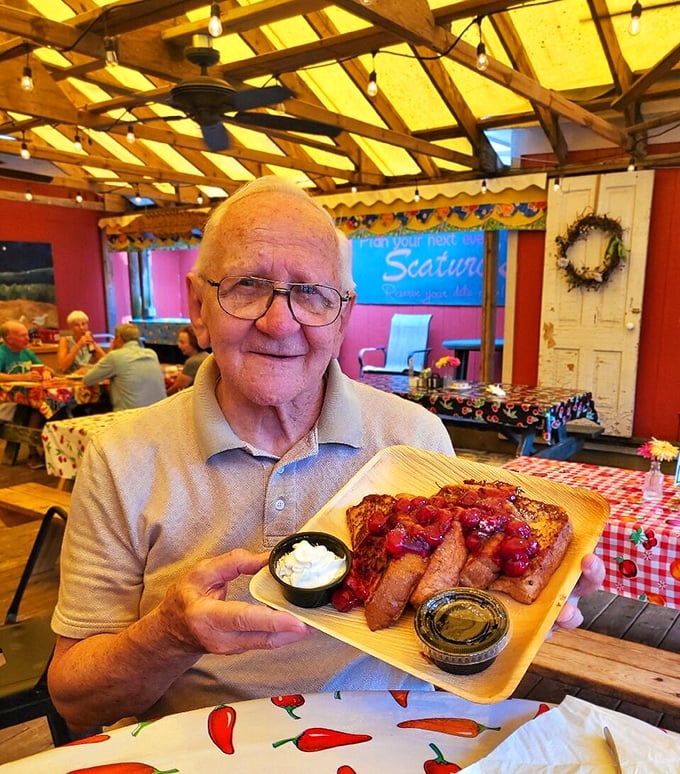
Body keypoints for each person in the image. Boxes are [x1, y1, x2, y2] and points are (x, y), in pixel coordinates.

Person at [48, 177, 605, 733]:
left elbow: (446, 648)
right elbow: (78, 702)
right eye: (248, 285)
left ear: (343, 317)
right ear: (199, 306)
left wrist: (523, 607)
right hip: (200, 746)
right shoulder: (119, 456)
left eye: (313, 293)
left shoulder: (415, 436)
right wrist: (169, 635)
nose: (280, 321)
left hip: (391, 739)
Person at [0, 320, 55, 465]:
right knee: (35, 409)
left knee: (45, 407)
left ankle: (46, 449)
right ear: (10, 339)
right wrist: (21, 377)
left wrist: (47, 372)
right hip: (8, 402)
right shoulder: (2, 353)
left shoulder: (27, 352)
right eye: (23, 335)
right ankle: (33, 452)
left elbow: (45, 367)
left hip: (31, 399)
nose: (28, 338)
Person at [82, 322, 167, 412]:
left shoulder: (115, 356)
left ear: (118, 338)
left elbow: (87, 380)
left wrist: (112, 350)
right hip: (158, 413)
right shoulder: (152, 353)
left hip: (130, 416)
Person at [166, 325, 208, 395]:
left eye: (182, 342)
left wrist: (162, 397)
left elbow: (177, 387)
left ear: (193, 343)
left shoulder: (193, 362)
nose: (179, 345)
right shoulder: (206, 355)